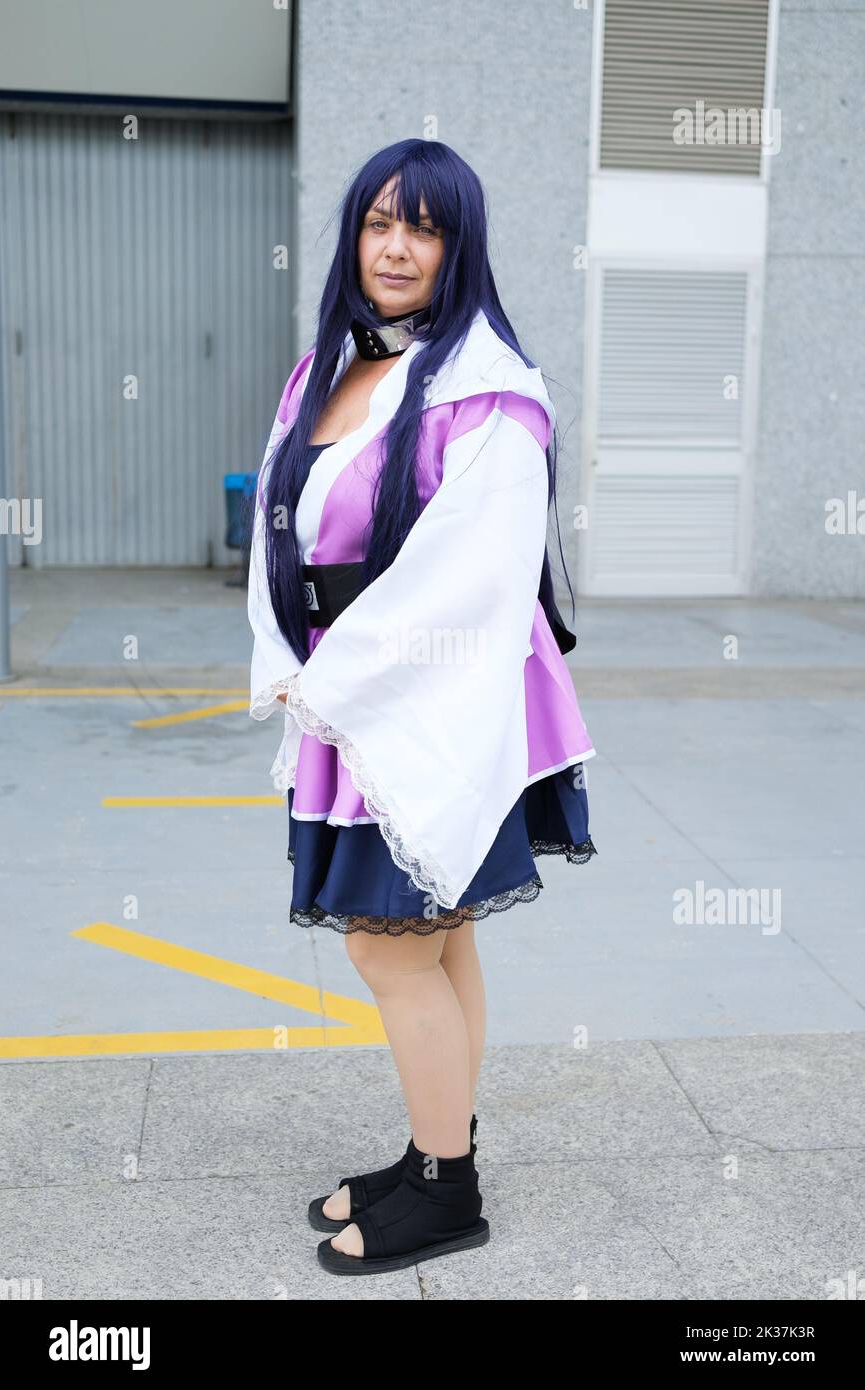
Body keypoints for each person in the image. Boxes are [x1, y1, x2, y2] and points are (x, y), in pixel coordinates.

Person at [247, 138, 597, 1275]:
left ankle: (447, 1193)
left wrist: (339, 680)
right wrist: (285, 656)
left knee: (387, 949)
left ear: (460, 246)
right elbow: (275, 532)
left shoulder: (490, 387)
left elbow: (472, 573)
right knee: (434, 947)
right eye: (377, 221)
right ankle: (434, 1149)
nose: (395, 246)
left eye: (425, 226)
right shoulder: (330, 368)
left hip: (433, 691)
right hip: (351, 685)